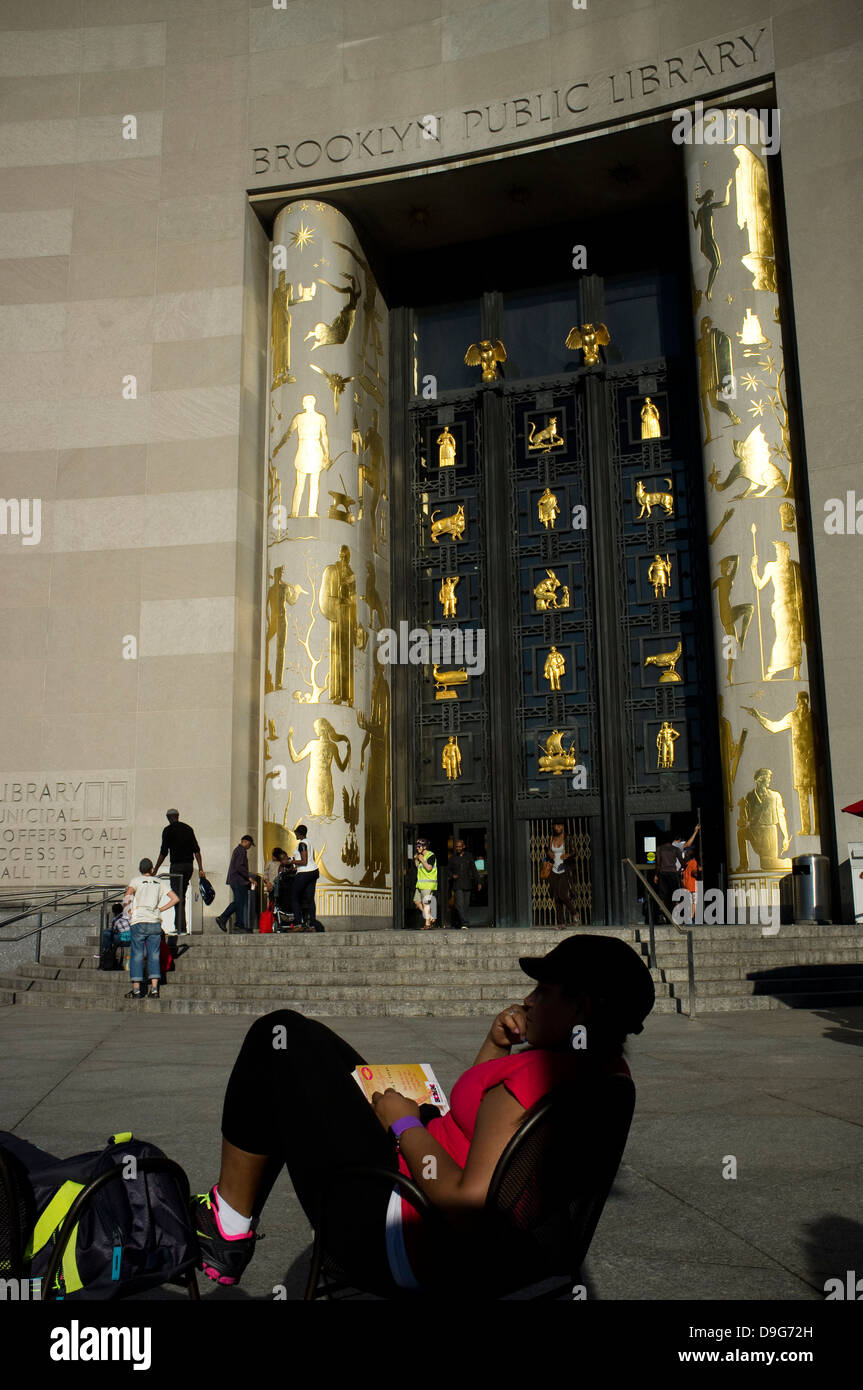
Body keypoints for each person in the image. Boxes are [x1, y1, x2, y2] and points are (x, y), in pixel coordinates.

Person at [189, 933, 655, 1292]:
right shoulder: (605, 1072)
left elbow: (466, 1205)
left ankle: (228, 1226)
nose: (530, 1000)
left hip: (401, 1231)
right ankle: (230, 1221)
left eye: (546, 991)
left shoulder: (535, 1077)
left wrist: (404, 1121)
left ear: (584, 1006)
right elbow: (484, 1130)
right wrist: (496, 1042)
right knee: (311, 1045)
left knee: (278, 1038)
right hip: (483, 1244)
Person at [123, 858, 178, 1000]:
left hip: (139, 920)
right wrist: (160, 909)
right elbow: (175, 899)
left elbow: (127, 895)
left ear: (140, 869)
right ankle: (154, 990)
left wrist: (128, 912)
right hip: (154, 921)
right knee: (154, 954)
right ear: (152, 869)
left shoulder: (136, 881)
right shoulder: (159, 882)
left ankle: (136, 990)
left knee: (137, 954)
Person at [152, 809, 204, 936]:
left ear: (168, 818)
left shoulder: (168, 830)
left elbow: (163, 852)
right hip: (188, 867)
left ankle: (181, 928)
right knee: (181, 895)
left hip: (176, 867)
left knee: (177, 897)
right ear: (177, 816)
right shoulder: (188, 829)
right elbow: (196, 851)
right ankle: (181, 927)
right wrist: (201, 868)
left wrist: (156, 868)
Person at [215, 836, 256, 934]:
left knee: (239, 902)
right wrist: (248, 877)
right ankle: (224, 918)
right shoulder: (241, 851)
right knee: (239, 902)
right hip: (239, 881)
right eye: (249, 844)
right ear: (245, 842)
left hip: (236, 880)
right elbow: (239, 867)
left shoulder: (238, 850)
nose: (249, 847)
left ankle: (238, 924)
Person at [544, 822, 579, 928]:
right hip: (553, 870)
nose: (557, 827)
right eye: (555, 825)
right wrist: (548, 854)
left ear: (563, 826)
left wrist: (567, 855)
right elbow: (546, 852)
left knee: (562, 893)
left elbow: (574, 852)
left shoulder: (568, 838)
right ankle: (561, 923)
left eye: (559, 825)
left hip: (564, 870)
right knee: (556, 896)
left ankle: (574, 913)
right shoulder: (551, 838)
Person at [291, 824, 323, 933]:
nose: (295, 834)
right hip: (313, 871)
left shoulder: (302, 844)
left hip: (304, 873)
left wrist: (291, 861)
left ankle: (298, 923)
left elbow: (304, 862)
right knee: (310, 899)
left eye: (296, 832)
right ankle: (312, 925)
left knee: (294, 897)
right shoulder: (309, 843)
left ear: (299, 833)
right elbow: (311, 859)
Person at [447, 839, 478, 930]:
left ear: (463, 846)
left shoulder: (469, 856)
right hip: (457, 885)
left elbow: (474, 869)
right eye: (457, 847)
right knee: (459, 904)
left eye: (460, 846)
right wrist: (452, 875)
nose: (458, 848)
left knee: (465, 905)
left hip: (467, 883)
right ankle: (465, 923)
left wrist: (479, 881)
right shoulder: (452, 858)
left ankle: (463, 922)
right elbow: (448, 870)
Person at [413, 839, 438, 930]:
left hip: (428, 884)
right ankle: (430, 917)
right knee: (416, 901)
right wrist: (416, 859)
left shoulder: (431, 855)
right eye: (417, 846)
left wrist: (422, 860)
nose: (417, 848)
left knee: (426, 903)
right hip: (420, 884)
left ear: (425, 847)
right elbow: (417, 867)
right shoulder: (421, 856)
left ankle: (427, 924)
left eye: (419, 846)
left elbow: (428, 868)